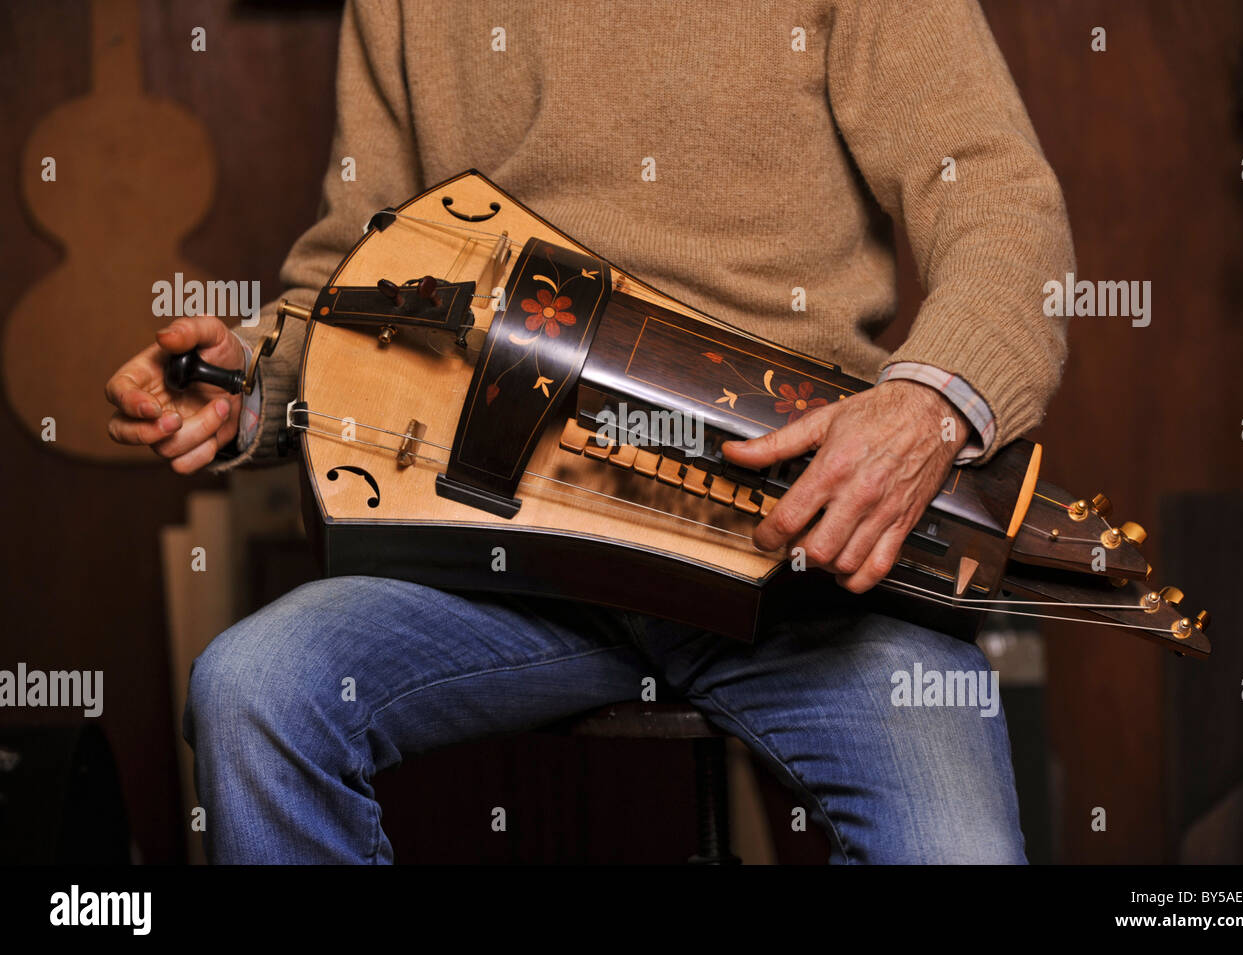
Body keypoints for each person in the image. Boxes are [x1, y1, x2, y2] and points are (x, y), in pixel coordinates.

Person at [105, 0, 1073, 863]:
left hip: (801, 562)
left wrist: (928, 405)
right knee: (255, 687)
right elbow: (362, 282)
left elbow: (994, 194)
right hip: (506, 555)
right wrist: (254, 381)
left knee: (960, 848)